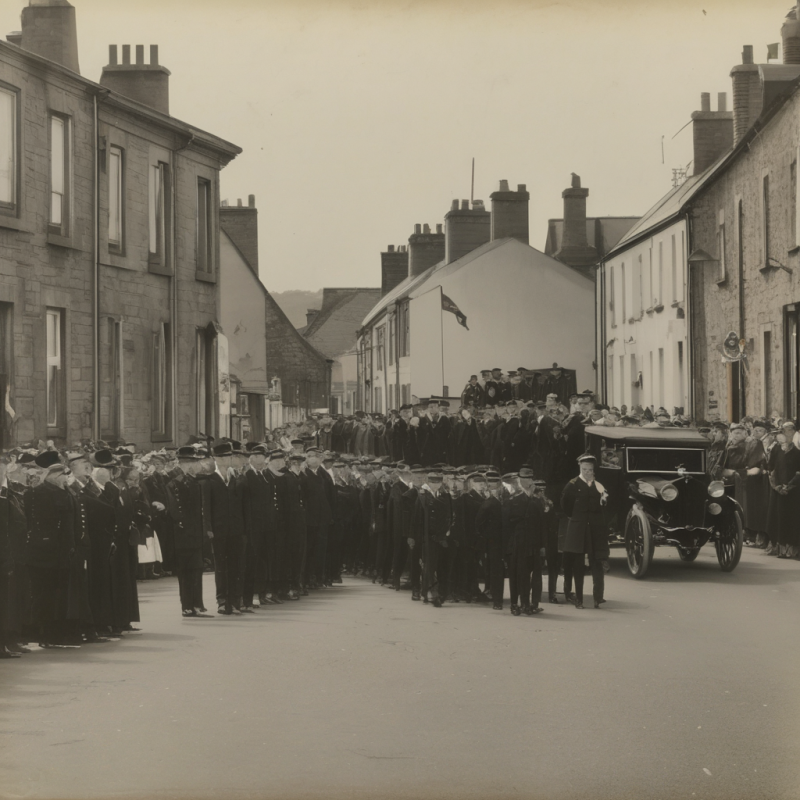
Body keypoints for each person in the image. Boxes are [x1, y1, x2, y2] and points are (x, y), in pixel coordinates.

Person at [560, 454, 609, 609]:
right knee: (578, 565)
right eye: (585, 469)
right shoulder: (572, 485)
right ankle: (579, 599)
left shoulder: (599, 485)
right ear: (580, 468)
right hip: (578, 529)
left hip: (595, 529)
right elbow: (565, 506)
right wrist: (577, 519)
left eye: (591, 469)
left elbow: (605, 506)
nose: (588, 472)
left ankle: (598, 598)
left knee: (597, 563)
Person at [505, 468, 544, 616]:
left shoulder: (536, 498)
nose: (530, 481)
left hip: (532, 543)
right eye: (526, 479)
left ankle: (527, 604)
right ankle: (515, 604)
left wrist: (542, 545)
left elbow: (541, 523)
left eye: (531, 478)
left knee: (529, 574)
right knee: (517, 574)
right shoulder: (513, 498)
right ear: (520, 480)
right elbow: (507, 523)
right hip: (517, 542)